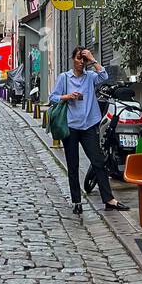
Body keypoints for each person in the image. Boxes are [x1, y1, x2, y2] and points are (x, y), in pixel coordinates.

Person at [49, 46, 128, 216]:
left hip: (89, 126)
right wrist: (67, 97)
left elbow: (104, 76)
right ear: (72, 59)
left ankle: (109, 200)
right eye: (79, 58)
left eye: (83, 59)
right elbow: (53, 97)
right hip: (70, 127)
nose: (81, 62)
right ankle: (76, 201)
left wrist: (92, 59)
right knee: (73, 165)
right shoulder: (64, 78)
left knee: (98, 162)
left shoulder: (90, 77)